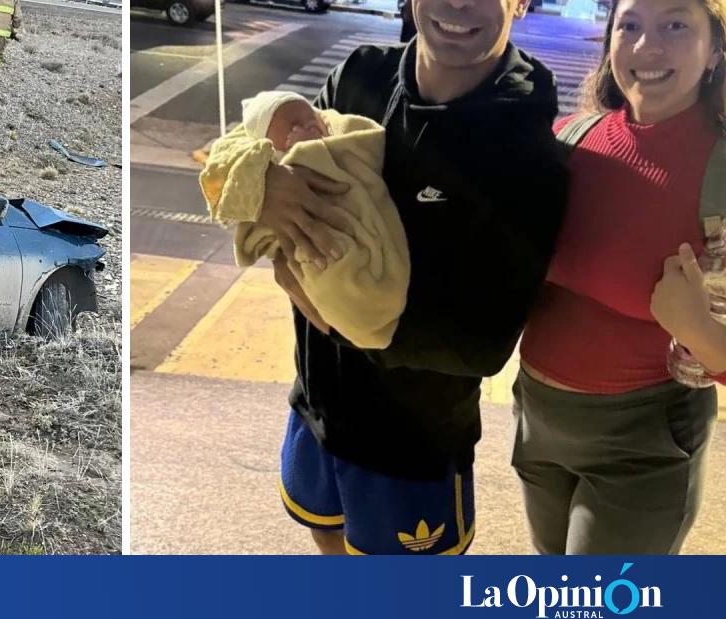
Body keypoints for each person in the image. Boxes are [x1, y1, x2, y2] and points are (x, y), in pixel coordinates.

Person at [263, 0, 569, 555]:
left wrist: (315, 301)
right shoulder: (359, 75)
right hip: (316, 399)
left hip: (411, 446)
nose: (458, 4)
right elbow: (270, 162)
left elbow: (478, 345)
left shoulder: (527, 154)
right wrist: (267, 187)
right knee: (325, 533)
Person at [513, 0, 726, 555]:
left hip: (645, 443)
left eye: (676, 25)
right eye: (628, 25)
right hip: (538, 420)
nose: (644, 47)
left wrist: (700, 329)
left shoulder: (721, 174)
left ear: (716, 52)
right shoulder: (570, 138)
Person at [200, 90, 410, 350]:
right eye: (292, 126)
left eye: (307, 118)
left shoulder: (346, 127)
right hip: (318, 370)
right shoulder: (351, 76)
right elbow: (224, 160)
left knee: (361, 278)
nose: (308, 125)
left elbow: (358, 159)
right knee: (329, 261)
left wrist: (335, 330)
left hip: (418, 372)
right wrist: (264, 180)